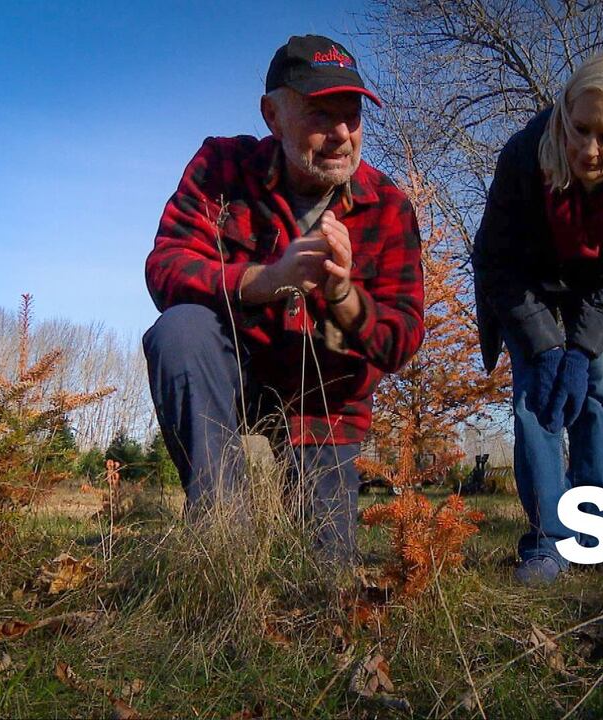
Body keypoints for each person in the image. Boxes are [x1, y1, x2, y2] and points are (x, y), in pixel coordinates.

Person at [143, 34, 424, 565]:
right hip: (235, 375)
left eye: (353, 114)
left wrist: (343, 296)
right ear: (272, 114)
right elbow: (166, 266)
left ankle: (310, 541)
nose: (342, 134)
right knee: (179, 330)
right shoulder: (220, 168)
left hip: (325, 406)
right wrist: (263, 280)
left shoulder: (388, 207)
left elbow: (402, 338)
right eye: (321, 115)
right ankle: (223, 530)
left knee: (325, 569)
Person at [472, 51, 603, 586]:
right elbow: (494, 260)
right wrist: (546, 345)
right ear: (563, 115)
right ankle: (547, 544)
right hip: (526, 288)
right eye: (579, 130)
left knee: (601, 386)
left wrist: (583, 349)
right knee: (537, 395)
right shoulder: (524, 155)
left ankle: (594, 540)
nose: (589, 150)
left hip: (598, 295)